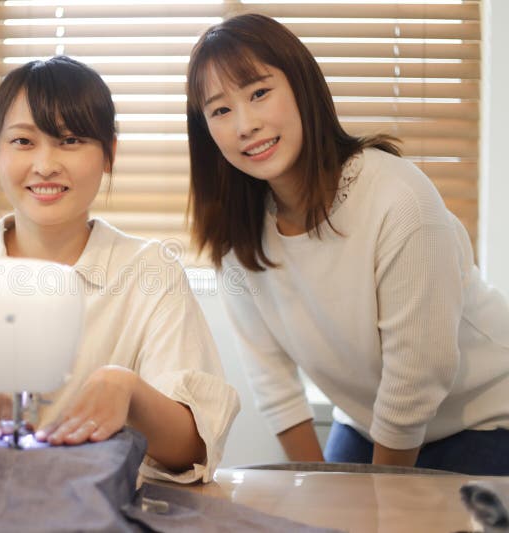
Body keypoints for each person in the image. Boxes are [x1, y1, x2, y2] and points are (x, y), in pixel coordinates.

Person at [0, 56, 240, 483]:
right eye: (24, 142)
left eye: (69, 140)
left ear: (109, 154)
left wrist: (130, 392)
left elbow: (192, 449)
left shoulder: (149, 272)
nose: (45, 165)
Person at [185, 14, 509, 475]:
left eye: (259, 93)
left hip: (486, 414)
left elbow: (418, 377)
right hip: (366, 423)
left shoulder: (399, 199)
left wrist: (377, 500)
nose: (245, 125)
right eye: (220, 110)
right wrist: (318, 500)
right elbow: (274, 386)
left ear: (302, 86)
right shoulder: (235, 236)